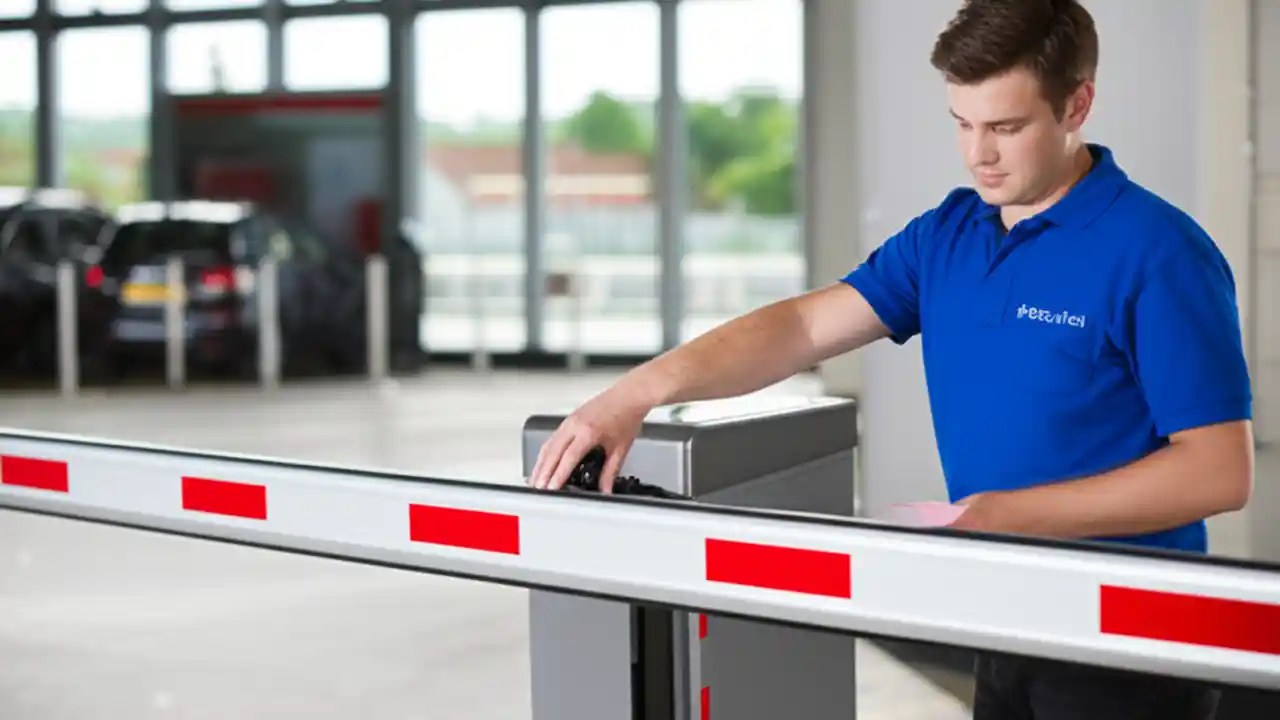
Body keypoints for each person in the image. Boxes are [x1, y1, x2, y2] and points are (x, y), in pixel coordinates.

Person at [528, 1, 1251, 717]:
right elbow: (804, 326)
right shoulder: (946, 236)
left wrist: (1007, 514)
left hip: (1130, 633)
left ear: (1077, 104)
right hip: (1007, 612)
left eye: (1006, 126)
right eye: (963, 124)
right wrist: (638, 391)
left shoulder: (1160, 251)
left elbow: (1218, 469)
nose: (979, 155)